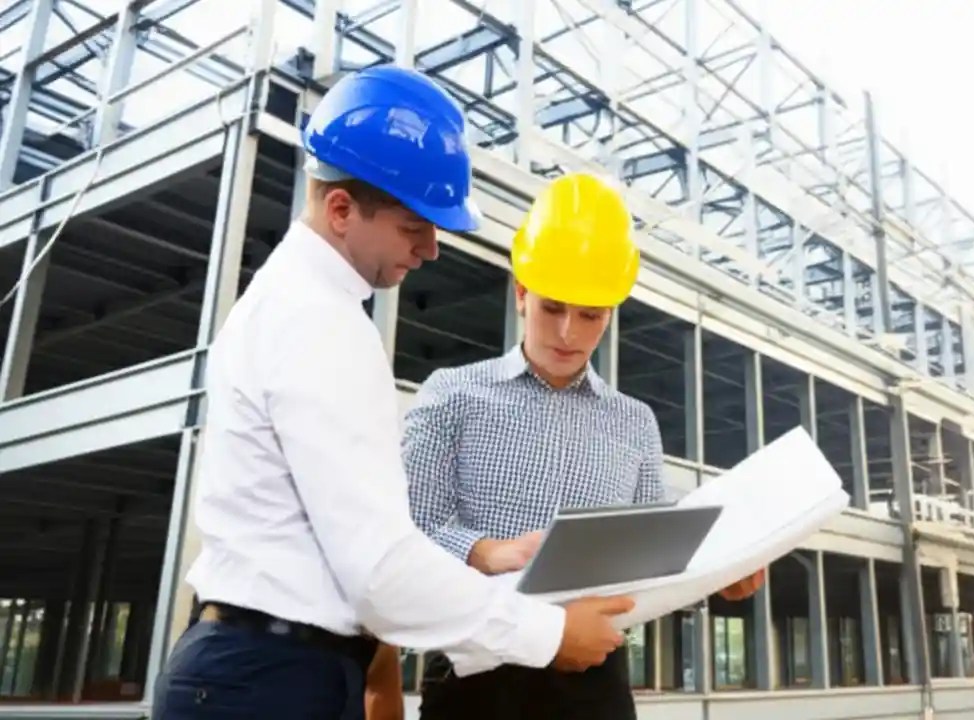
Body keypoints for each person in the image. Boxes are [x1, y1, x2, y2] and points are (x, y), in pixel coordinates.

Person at [149, 67, 635, 720]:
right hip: (270, 679)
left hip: (277, 671)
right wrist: (547, 632)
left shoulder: (298, 306)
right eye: (414, 226)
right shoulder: (318, 323)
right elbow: (382, 570)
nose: (431, 249)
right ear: (341, 210)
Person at [399, 173, 765, 720]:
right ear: (522, 293)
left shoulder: (635, 423)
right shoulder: (452, 394)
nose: (569, 332)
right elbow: (407, 529)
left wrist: (721, 577)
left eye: (590, 315)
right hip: (478, 674)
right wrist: (486, 551)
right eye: (553, 308)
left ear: (611, 313)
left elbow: (655, 556)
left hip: (595, 683)